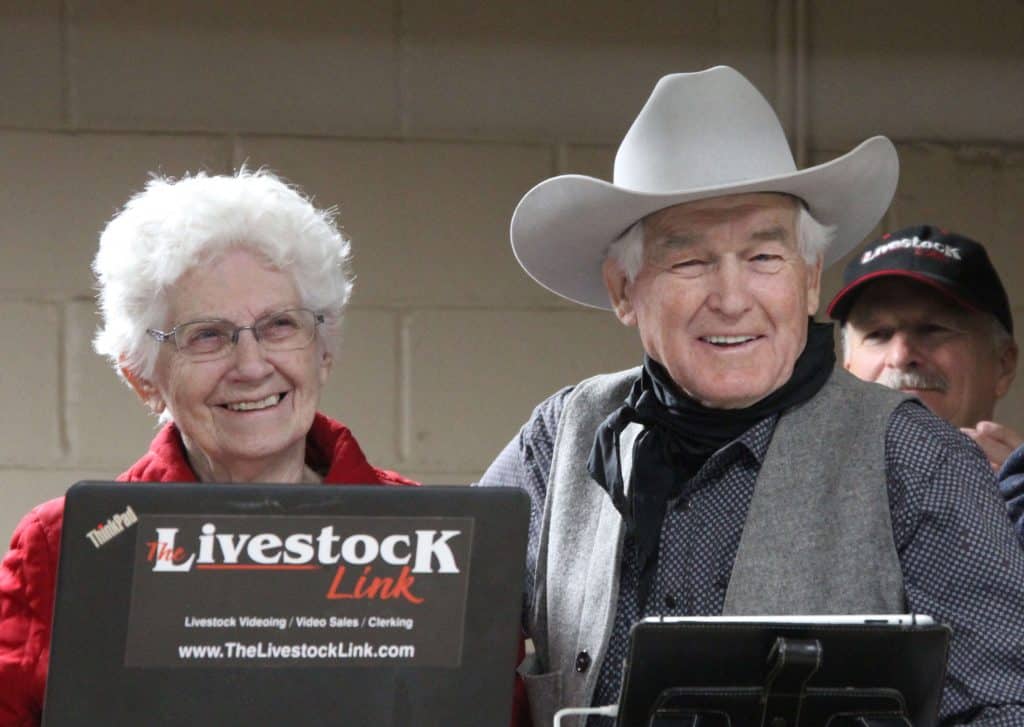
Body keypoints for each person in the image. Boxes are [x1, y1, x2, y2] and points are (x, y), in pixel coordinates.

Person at [478, 66, 1024, 726]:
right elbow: (434, 645)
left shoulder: (917, 460)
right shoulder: (553, 444)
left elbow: (999, 710)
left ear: (810, 277)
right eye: (690, 262)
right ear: (624, 290)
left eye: (764, 258)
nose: (732, 299)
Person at [0, 168, 416, 725]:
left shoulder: (427, 533)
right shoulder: (65, 550)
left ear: (324, 349)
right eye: (206, 336)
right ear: (141, 377)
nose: (250, 366)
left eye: (279, 325)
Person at [827, 226, 1024, 544]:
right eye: (878, 334)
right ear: (846, 370)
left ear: (1003, 365)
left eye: (933, 329)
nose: (902, 355)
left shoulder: (1019, 499)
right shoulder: (787, 497)